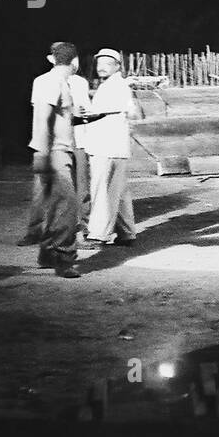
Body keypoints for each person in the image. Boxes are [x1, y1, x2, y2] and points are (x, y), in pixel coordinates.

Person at [27, 41, 82, 278]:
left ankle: (47, 252)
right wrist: (43, 153)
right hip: (54, 152)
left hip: (53, 150)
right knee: (69, 206)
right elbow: (44, 117)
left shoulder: (48, 81)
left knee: (53, 205)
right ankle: (64, 257)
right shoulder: (52, 82)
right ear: (75, 62)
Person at [82, 48, 139, 246]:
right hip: (116, 146)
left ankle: (99, 233)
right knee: (119, 191)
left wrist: (85, 112)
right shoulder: (115, 86)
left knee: (102, 190)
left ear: (117, 66)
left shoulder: (115, 87)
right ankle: (127, 232)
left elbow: (97, 114)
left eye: (107, 63)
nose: (101, 68)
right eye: (99, 64)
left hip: (105, 146)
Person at [67, 64, 93, 236]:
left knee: (82, 182)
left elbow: (87, 110)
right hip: (60, 140)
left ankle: (85, 222)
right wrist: (70, 111)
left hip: (81, 138)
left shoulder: (80, 83)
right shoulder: (46, 82)